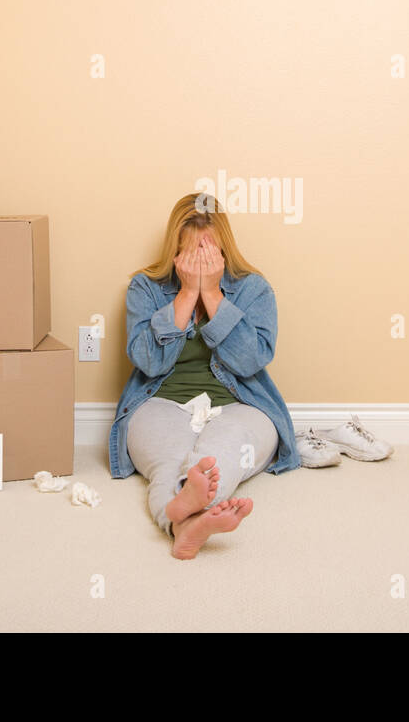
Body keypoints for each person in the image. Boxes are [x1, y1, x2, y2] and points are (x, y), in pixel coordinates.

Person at [108, 192, 300, 559]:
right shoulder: (145, 288)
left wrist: (211, 294)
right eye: (191, 252)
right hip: (160, 401)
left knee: (221, 451)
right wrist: (184, 296)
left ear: (224, 249)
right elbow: (147, 362)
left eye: (208, 252)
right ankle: (186, 523)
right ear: (175, 250)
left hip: (241, 405)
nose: (200, 261)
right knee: (170, 458)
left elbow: (251, 361)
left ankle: (183, 519)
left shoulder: (253, 289)